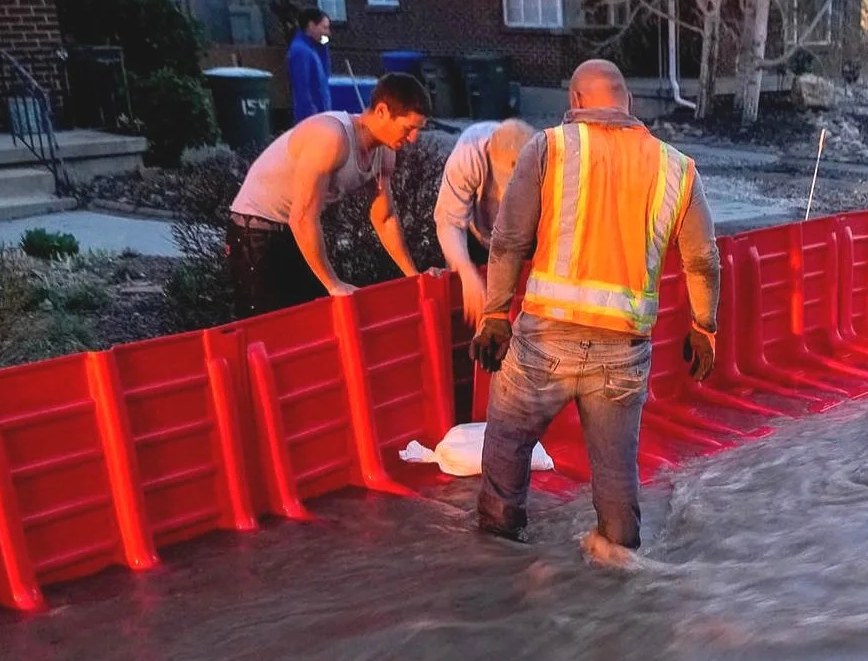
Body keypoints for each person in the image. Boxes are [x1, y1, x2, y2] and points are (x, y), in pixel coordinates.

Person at [471, 59, 720, 555]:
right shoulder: (676, 168)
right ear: (628, 102)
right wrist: (704, 326)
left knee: (507, 447)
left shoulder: (549, 148)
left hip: (544, 343)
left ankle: (498, 557)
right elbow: (703, 259)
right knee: (616, 474)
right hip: (623, 353)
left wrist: (495, 314)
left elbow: (508, 239)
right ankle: (620, 562)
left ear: (576, 101)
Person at [224, 72, 429, 317]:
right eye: (408, 128)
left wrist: (414, 278)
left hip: (293, 228)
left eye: (418, 130)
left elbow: (384, 218)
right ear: (382, 111)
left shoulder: (385, 153)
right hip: (254, 229)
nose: (413, 138)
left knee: (311, 320)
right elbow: (302, 217)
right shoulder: (331, 137)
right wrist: (334, 285)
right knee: (269, 326)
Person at [433, 118, 538, 320]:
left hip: (526, 237)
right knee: (473, 301)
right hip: (479, 236)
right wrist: (466, 272)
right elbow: (449, 221)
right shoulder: (469, 154)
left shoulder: (546, 158)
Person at [286, 8, 333, 124]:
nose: (327, 33)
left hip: (320, 116)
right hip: (312, 119)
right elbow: (303, 89)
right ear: (311, 25)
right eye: (324, 28)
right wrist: (312, 118)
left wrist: (324, 44)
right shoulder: (301, 51)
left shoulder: (313, 49)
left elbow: (326, 72)